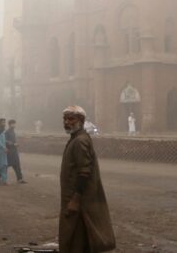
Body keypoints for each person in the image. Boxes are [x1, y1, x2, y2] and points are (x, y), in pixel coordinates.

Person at [59, 106, 116, 252]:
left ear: (81, 121)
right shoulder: (77, 138)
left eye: (71, 118)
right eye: (65, 119)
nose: (67, 122)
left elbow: (84, 171)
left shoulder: (79, 141)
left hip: (78, 198)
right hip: (75, 197)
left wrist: (75, 199)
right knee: (80, 236)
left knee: (73, 235)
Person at [5, 119, 27, 184]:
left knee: (17, 165)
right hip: (9, 152)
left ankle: (20, 179)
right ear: (10, 124)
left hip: (14, 151)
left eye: (14, 123)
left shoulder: (13, 131)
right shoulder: (7, 132)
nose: (14, 125)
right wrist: (13, 144)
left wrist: (16, 144)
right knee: (5, 166)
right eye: (13, 124)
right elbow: (5, 141)